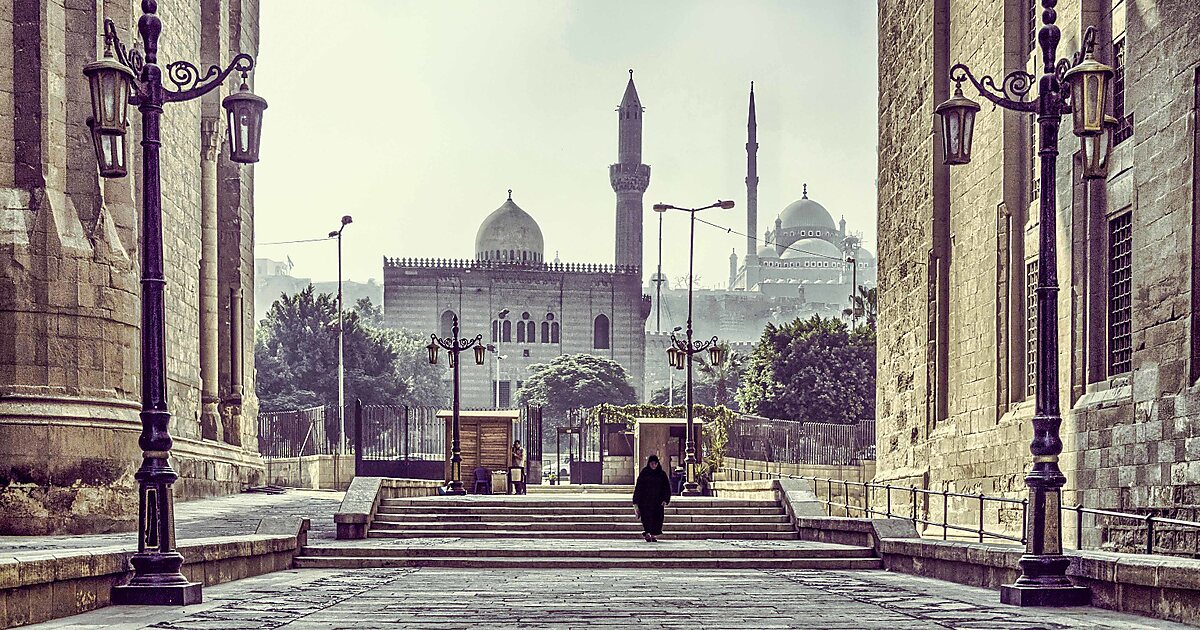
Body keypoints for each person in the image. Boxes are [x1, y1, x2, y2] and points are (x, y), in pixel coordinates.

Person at [632, 454, 672, 542]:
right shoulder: (644, 473)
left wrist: (665, 499)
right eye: (652, 463)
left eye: (655, 463)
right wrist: (636, 501)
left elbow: (666, 488)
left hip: (658, 502)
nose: (654, 465)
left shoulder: (661, 474)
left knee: (657, 518)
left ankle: (653, 535)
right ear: (649, 463)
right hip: (645, 501)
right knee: (646, 518)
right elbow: (639, 487)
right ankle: (647, 533)